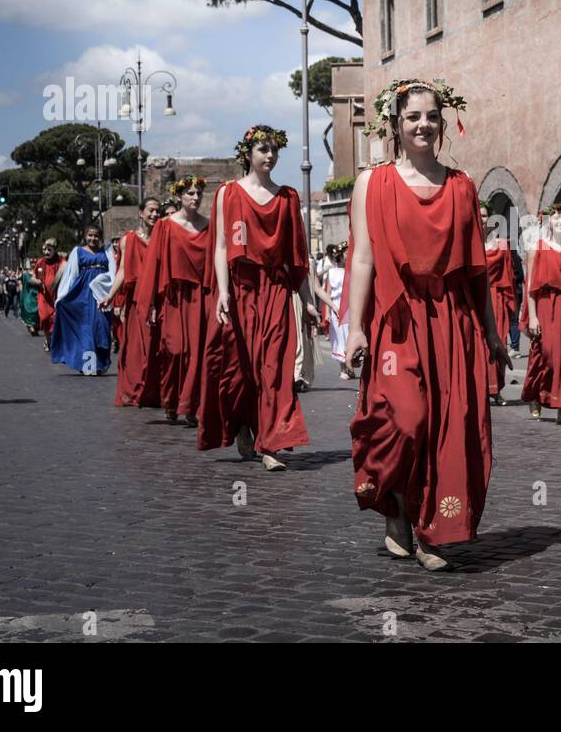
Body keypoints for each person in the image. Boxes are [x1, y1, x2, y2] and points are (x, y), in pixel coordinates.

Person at [346, 79, 508, 571]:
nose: (423, 125)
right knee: (408, 420)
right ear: (396, 123)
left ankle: (431, 531)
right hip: (397, 319)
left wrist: (492, 331)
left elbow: (476, 270)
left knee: (449, 426)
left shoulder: (462, 186)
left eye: (432, 116)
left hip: (451, 320)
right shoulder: (371, 183)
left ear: (443, 123)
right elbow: (362, 262)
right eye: (413, 116)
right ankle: (395, 501)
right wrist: (356, 328)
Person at [199, 125, 318, 471]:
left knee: (276, 369)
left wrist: (307, 300)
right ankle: (241, 426)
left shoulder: (288, 198)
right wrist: (223, 291)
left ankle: (272, 444)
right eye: (263, 149)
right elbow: (221, 246)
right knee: (241, 369)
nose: (270, 155)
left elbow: (297, 257)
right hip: (240, 289)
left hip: (276, 291)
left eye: (274, 150)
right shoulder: (228, 193)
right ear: (247, 154)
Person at [139, 176, 210, 426]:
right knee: (175, 350)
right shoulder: (165, 226)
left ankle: (191, 406)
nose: (195, 197)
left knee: (196, 354)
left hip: (201, 299)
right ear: (179, 196)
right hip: (173, 299)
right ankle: (170, 400)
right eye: (190, 193)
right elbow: (153, 265)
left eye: (199, 193)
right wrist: (149, 303)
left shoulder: (208, 226)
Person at [522, 204, 561, 426]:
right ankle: (537, 394)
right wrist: (532, 316)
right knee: (547, 354)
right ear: (547, 221)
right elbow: (530, 285)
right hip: (545, 305)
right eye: (557, 217)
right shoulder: (536, 248)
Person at [104, 198, 164, 408]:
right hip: (137, 299)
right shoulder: (128, 239)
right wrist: (111, 296)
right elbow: (122, 271)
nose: (155, 215)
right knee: (138, 348)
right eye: (150, 211)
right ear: (140, 213)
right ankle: (135, 390)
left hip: (159, 297)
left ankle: (155, 391)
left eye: (158, 211)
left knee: (157, 347)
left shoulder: (164, 237)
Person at [50, 225, 115, 375]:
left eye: (96, 236)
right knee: (87, 330)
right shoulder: (77, 251)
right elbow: (71, 274)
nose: (93, 239)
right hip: (82, 295)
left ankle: (101, 363)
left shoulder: (107, 252)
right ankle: (89, 366)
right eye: (90, 235)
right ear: (85, 236)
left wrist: (111, 293)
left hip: (101, 294)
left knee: (101, 328)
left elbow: (113, 272)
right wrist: (63, 296)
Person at [482, 203, 516, 405]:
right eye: (478, 215)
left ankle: (496, 390)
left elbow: (509, 276)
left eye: (485, 215)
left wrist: (511, 304)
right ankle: (479, 387)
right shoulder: (468, 242)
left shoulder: (502, 245)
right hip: (476, 300)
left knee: (499, 342)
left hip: (496, 298)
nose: (482, 219)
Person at [322, 243, 351, 379]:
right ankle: (343, 368)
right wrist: (327, 312)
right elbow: (327, 293)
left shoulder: (352, 270)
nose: (348, 255)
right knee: (339, 336)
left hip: (349, 306)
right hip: (336, 306)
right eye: (346, 253)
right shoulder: (332, 272)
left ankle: (350, 364)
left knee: (349, 334)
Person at [32, 239, 64, 352]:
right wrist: (37, 282)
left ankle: (52, 341)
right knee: (45, 318)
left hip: (56, 296)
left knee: (55, 321)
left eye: (49, 249)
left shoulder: (60, 262)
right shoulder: (40, 262)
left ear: (54, 250)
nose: (46, 252)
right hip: (44, 297)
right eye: (44, 249)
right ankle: (48, 339)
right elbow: (32, 277)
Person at [19, 263, 41, 335]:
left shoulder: (39, 273)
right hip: (29, 296)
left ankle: (35, 328)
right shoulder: (26, 275)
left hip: (37, 297)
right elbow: (36, 282)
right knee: (30, 312)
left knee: (37, 313)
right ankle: (31, 327)